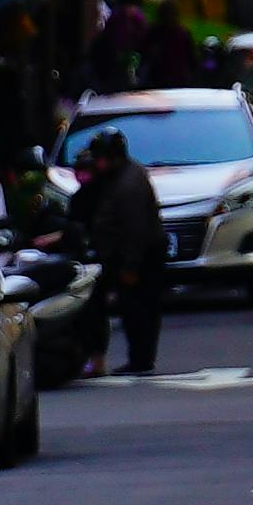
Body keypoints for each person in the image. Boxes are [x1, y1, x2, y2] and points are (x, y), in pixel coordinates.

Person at [75, 129, 173, 376]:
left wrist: (130, 266)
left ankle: (141, 358)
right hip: (125, 253)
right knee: (135, 307)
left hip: (140, 256)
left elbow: (135, 231)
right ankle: (140, 357)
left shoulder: (128, 185)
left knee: (138, 308)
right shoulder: (118, 175)